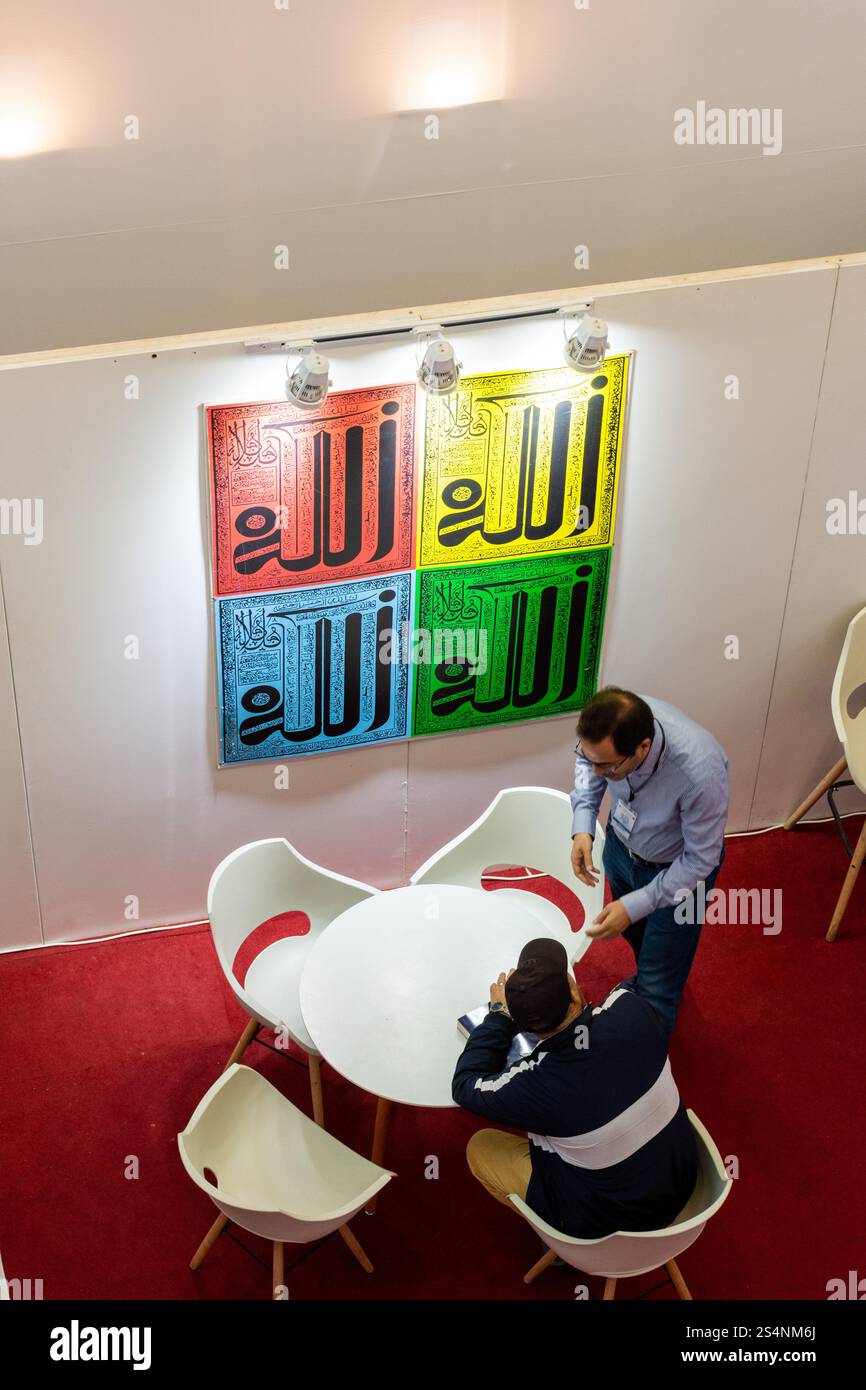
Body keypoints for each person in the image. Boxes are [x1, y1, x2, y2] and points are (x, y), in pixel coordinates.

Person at [452, 938, 699, 1239]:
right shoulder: (632, 1009)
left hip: (607, 1229)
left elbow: (465, 1086)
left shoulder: (533, 1087)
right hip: (685, 1181)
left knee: (480, 1146)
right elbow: (635, 985)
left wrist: (498, 1015)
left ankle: (556, 1240)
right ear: (572, 990)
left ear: (525, 1028)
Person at [571, 687, 728, 1038]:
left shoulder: (701, 772)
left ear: (642, 748)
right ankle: (660, 975)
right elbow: (585, 764)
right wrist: (583, 825)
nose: (596, 772)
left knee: (657, 982)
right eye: (590, 758)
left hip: (678, 875)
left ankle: (648, 1062)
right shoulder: (613, 720)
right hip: (620, 847)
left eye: (608, 766)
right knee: (642, 941)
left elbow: (701, 859)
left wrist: (634, 904)